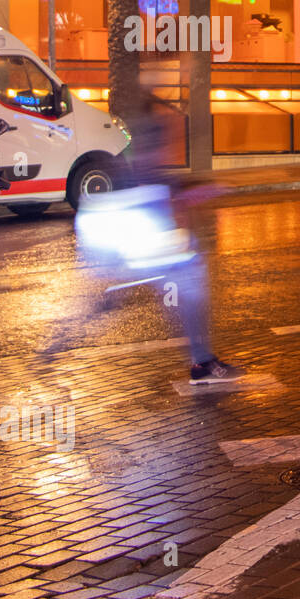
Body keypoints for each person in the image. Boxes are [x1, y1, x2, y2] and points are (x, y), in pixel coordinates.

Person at [115, 74, 242, 384]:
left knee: (187, 287)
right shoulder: (147, 140)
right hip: (152, 230)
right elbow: (153, 180)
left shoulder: (141, 138)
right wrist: (196, 191)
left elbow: (156, 179)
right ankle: (202, 361)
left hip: (152, 227)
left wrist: (195, 190)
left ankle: (202, 360)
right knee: (187, 287)